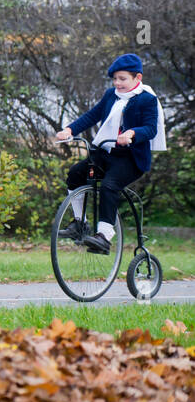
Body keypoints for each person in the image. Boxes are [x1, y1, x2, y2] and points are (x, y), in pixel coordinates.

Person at [53, 53, 167, 254]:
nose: (117, 83)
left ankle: (104, 236)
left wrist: (132, 133)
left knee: (109, 186)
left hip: (130, 159)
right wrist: (70, 130)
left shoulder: (146, 100)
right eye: (115, 79)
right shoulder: (110, 95)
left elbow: (151, 128)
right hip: (105, 153)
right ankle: (80, 223)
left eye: (122, 79)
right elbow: (92, 115)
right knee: (75, 174)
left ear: (137, 78)